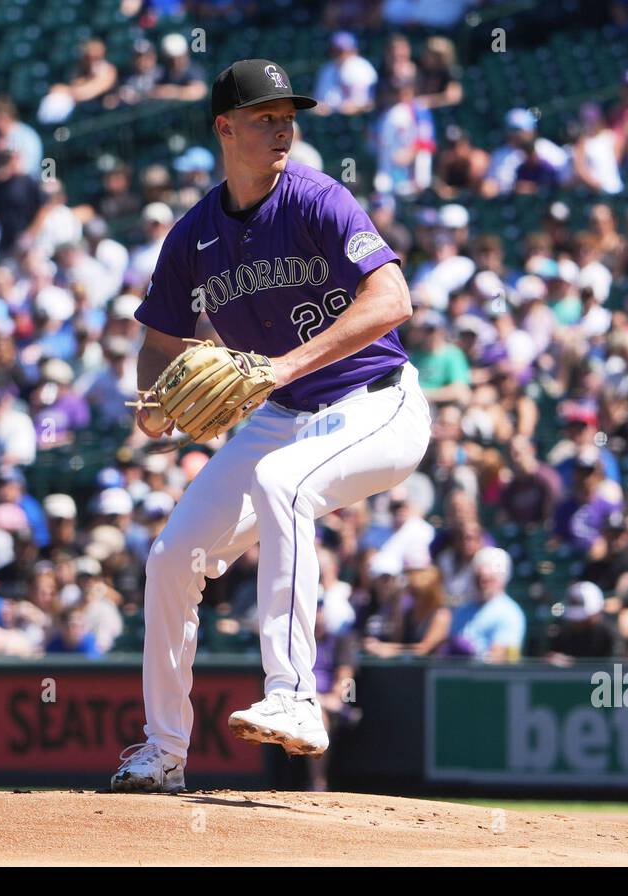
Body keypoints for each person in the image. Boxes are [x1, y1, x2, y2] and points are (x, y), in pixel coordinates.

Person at [111, 60, 430, 795]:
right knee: (171, 557)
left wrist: (282, 367)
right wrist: (156, 401)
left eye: (289, 115)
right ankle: (163, 753)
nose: (283, 127)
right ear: (225, 129)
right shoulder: (192, 235)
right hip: (282, 415)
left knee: (281, 481)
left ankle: (295, 693)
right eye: (265, 117)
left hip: (375, 400)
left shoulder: (318, 198)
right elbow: (158, 343)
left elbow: (392, 299)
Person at [448, 547, 525, 662]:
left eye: (488, 580)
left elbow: (501, 657)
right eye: (478, 579)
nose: (482, 585)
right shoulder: (463, 610)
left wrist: (475, 656)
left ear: (501, 579)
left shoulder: (510, 613)